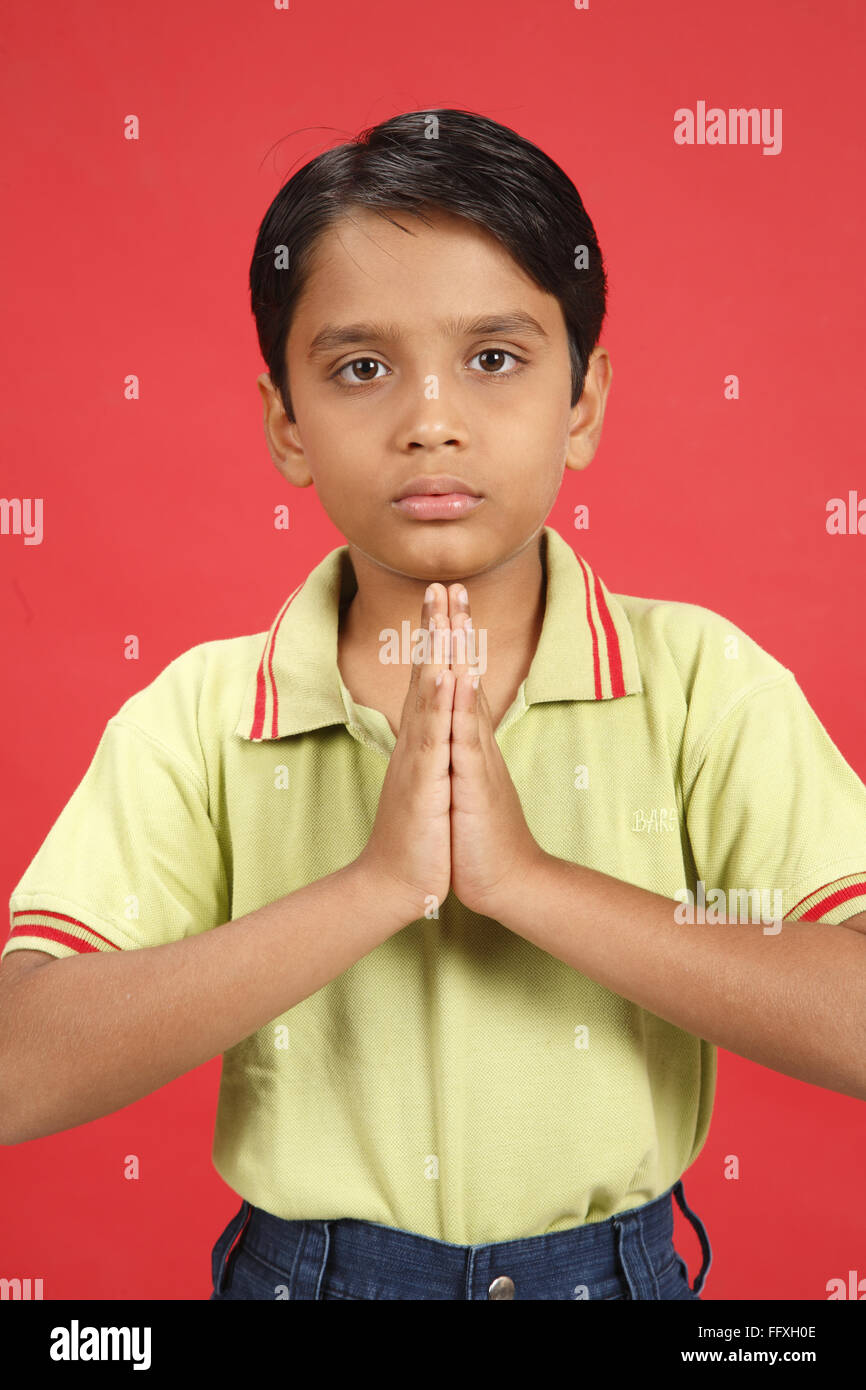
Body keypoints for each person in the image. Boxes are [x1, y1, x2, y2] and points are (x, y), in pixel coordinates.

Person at [3, 108, 866, 1302]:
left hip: (607, 1278)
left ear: (584, 400)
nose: (430, 419)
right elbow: (14, 1064)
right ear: (284, 424)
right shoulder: (201, 715)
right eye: (360, 367)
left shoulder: (702, 685)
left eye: (495, 358)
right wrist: (368, 889)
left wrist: (527, 881)